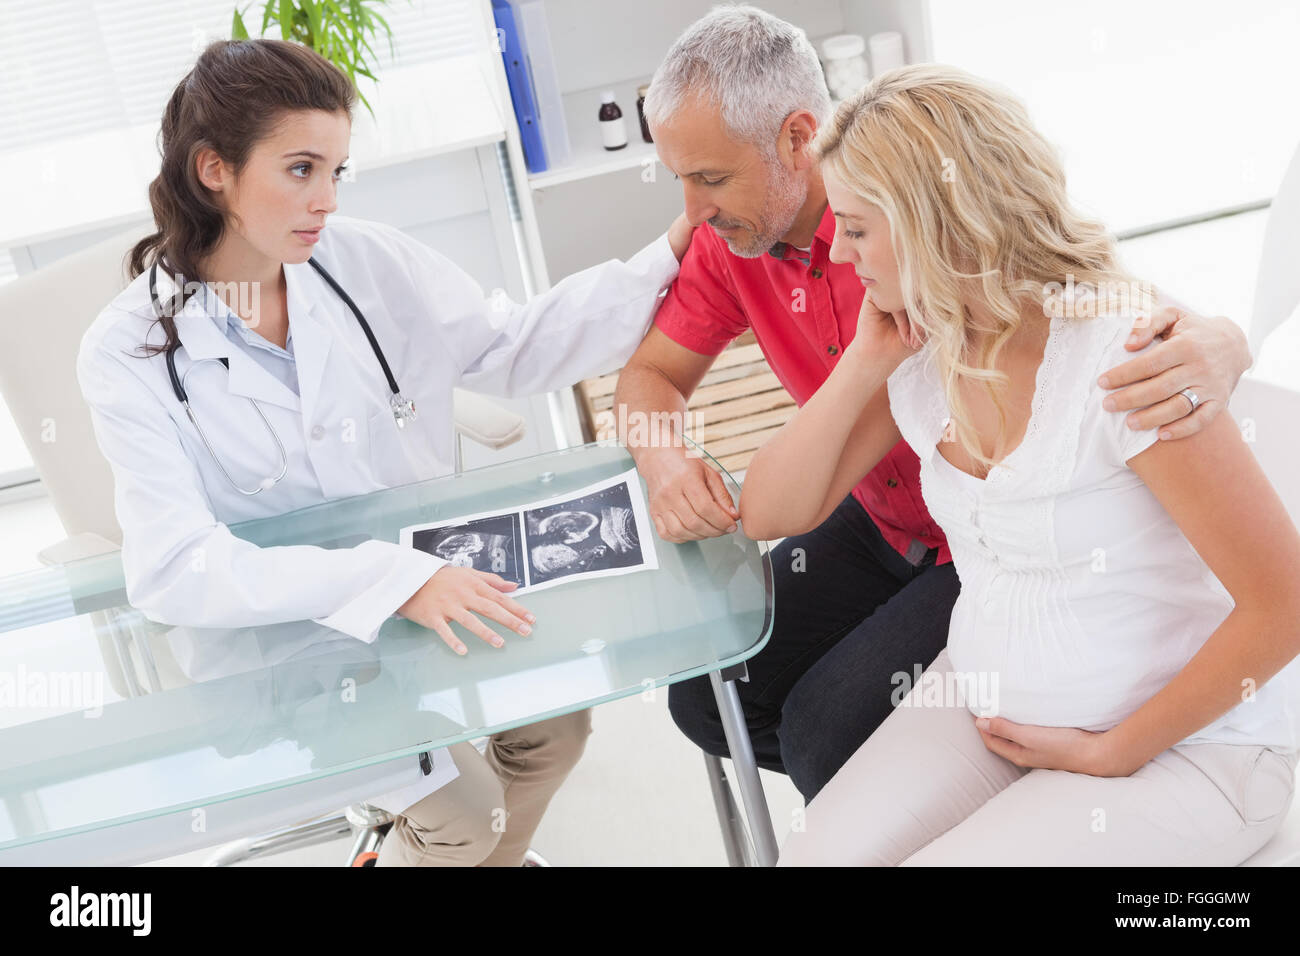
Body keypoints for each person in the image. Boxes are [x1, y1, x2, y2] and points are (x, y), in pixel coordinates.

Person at [76, 39, 694, 866]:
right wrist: (384, 579)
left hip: (429, 582)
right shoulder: (126, 350)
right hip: (284, 646)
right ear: (214, 169)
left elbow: (510, 345)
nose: (327, 200)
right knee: (467, 818)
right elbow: (173, 567)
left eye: (337, 171)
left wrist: (671, 252)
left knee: (558, 730)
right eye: (301, 169)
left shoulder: (361, 261)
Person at [618, 4, 1256, 802]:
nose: (691, 212)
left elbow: (1073, 288)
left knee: (826, 735)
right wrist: (664, 459)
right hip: (875, 513)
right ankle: (910, 785)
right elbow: (653, 381)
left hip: (978, 533)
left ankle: (907, 782)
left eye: (710, 178)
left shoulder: (916, 232)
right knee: (712, 699)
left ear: (796, 138)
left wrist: (1228, 338)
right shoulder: (737, 244)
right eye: (679, 178)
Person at [744, 64, 1300, 865]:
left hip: (1185, 748)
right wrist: (862, 363)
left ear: (936, 221)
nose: (836, 247)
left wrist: (1113, 751)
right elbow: (770, 511)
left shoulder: (1128, 359)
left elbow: (1283, 604)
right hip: (990, 707)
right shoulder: (922, 345)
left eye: (857, 227)